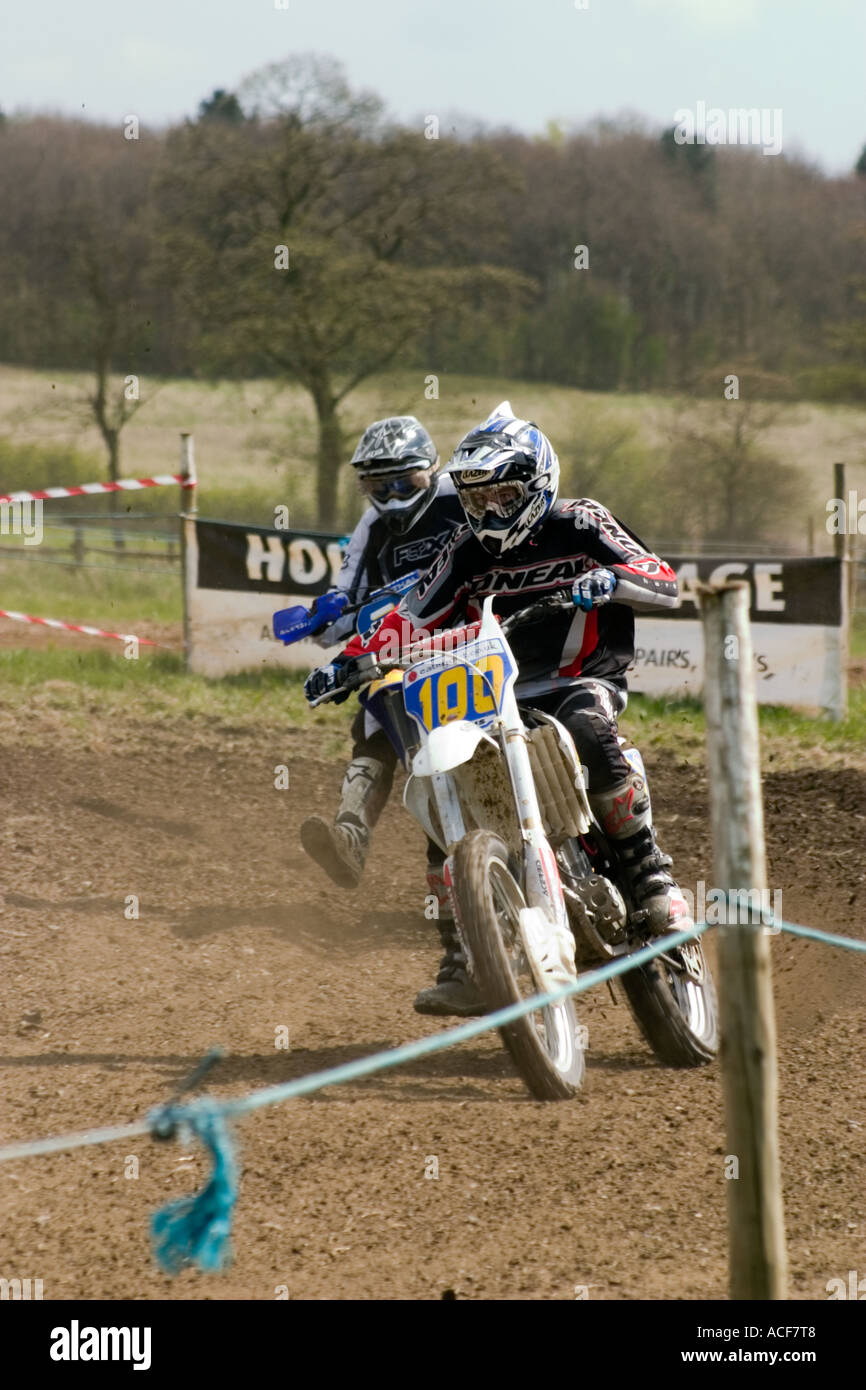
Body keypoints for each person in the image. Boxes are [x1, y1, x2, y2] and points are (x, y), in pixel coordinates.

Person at [306, 402, 691, 1018]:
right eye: (477, 500)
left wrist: (614, 581)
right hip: (492, 690)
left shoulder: (581, 522)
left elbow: (662, 576)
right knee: (442, 788)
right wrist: (348, 663)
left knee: (590, 731)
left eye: (503, 496)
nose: (489, 512)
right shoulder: (464, 550)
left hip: (575, 675)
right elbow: (408, 620)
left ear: (537, 485)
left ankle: (650, 876)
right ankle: (463, 957)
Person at [299, 415, 465, 902]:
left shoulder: (463, 497)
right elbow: (341, 607)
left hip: (473, 640)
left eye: (404, 481)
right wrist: (322, 614)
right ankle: (350, 836)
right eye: (378, 483)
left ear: (431, 470)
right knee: (376, 723)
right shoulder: (371, 526)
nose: (392, 496)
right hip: (401, 651)